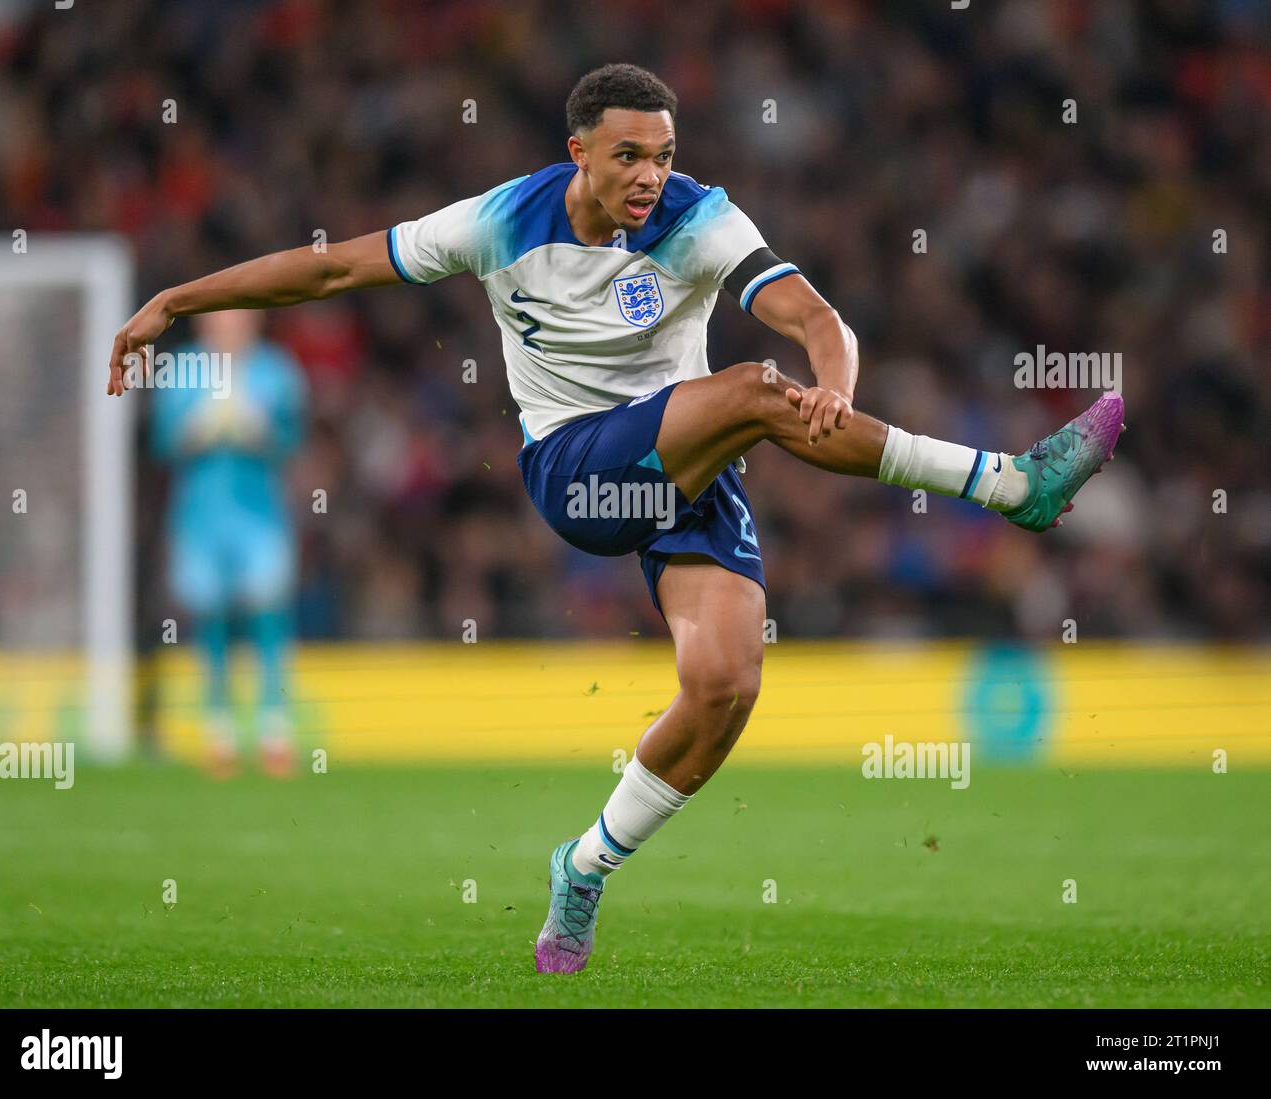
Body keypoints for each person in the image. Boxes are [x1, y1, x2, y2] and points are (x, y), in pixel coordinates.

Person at [108, 63, 1123, 971]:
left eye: (663, 154)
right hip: (580, 474)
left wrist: (835, 381)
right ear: (578, 153)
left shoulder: (697, 216)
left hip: (686, 465)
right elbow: (331, 269)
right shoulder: (500, 220)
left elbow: (816, 316)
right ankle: (1009, 486)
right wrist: (175, 302)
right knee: (755, 392)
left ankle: (583, 867)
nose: (649, 174)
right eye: (628, 154)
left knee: (724, 684)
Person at [150, 310, 306, 778]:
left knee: (268, 614)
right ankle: (218, 732)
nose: (229, 325)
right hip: (200, 518)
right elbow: (161, 444)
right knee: (209, 618)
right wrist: (195, 431)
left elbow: (293, 440)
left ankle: (274, 731)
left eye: (237, 317)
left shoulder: (277, 370)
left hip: (260, 516)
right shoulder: (181, 369)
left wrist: (262, 433)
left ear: (254, 320)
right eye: (220, 317)